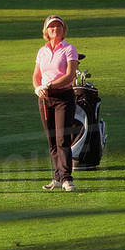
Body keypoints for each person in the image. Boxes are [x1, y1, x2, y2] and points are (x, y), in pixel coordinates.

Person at [33, 15, 79, 192]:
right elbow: (36, 75)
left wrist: (50, 85)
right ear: (46, 31)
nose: (55, 29)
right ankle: (57, 178)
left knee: (62, 138)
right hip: (45, 98)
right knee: (52, 140)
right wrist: (38, 88)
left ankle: (67, 178)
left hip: (63, 97)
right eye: (51, 27)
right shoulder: (42, 51)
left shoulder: (69, 49)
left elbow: (69, 75)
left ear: (63, 29)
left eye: (58, 26)